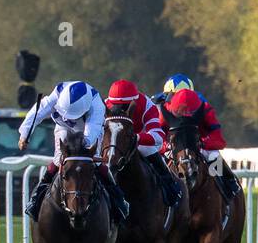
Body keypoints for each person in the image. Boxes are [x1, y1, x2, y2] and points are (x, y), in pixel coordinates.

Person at [20, 81, 128, 222]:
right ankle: (37, 197)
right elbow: (37, 112)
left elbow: (91, 133)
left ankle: (117, 200)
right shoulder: (58, 93)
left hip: (89, 132)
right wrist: (24, 134)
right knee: (59, 159)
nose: (68, 117)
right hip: (63, 128)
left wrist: (80, 148)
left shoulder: (97, 107)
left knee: (92, 161)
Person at [104, 79, 181, 207]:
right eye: (115, 105)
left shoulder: (147, 105)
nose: (119, 109)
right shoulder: (105, 106)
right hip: (114, 142)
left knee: (149, 150)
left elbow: (158, 136)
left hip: (139, 139)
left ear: (134, 101)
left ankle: (170, 186)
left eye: (124, 106)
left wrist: (136, 138)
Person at [161, 88, 241, 200]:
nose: (184, 112)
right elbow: (158, 134)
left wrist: (202, 143)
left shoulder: (206, 110)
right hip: (176, 144)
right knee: (158, 158)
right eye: (180, 111)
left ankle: (228, 183)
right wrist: (166, 145)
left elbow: (219, 140)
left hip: (200, 142)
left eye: (188, 111)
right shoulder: (167, 110)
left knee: (213, 155)